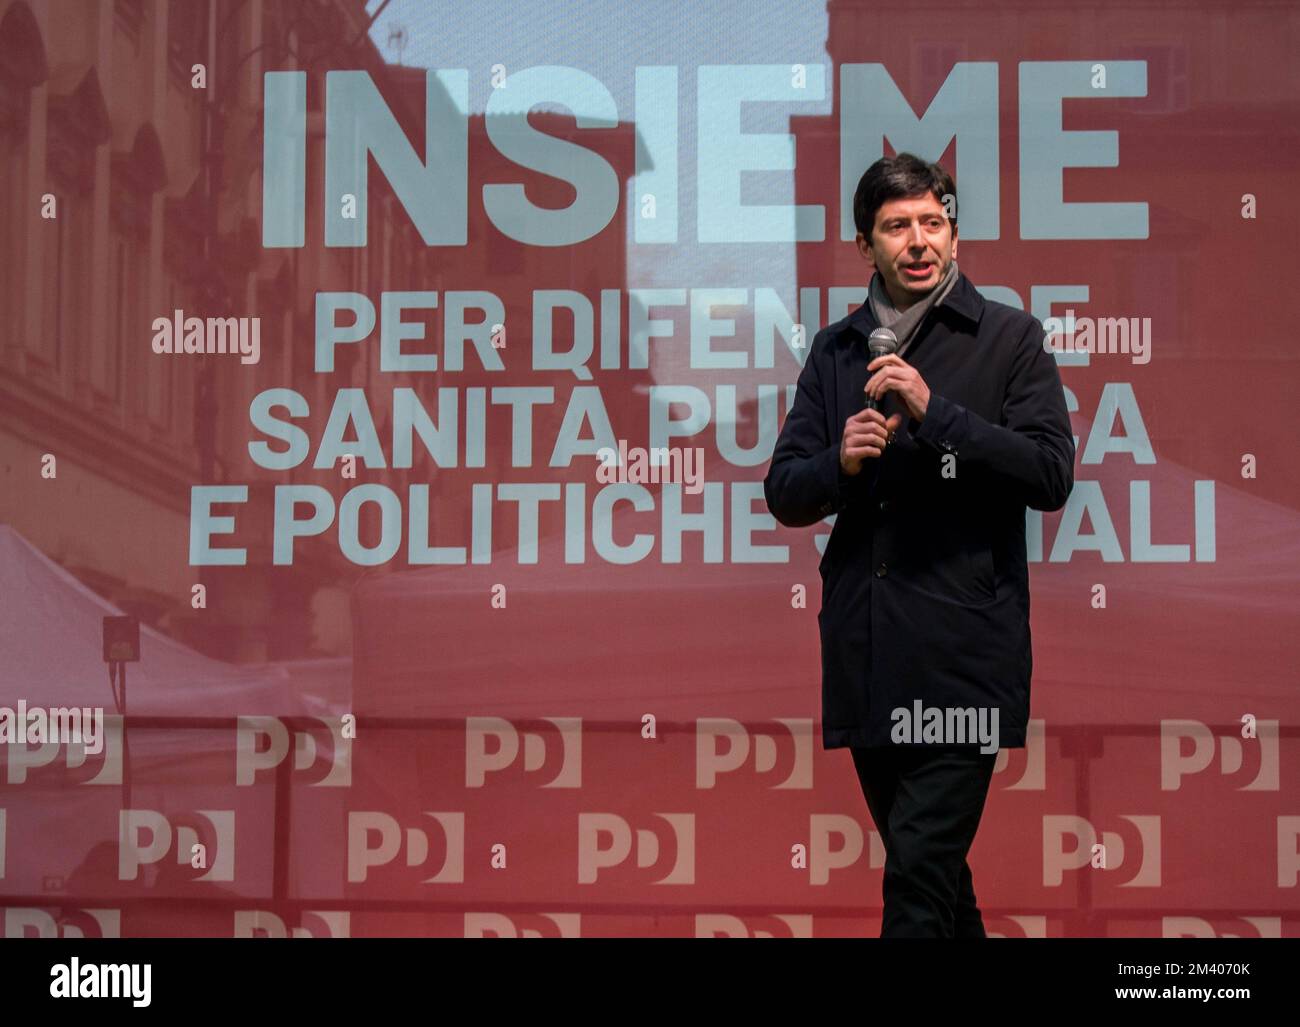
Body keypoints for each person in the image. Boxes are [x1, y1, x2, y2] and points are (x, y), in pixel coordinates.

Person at [763, 152, 1075, 937]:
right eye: (896, 226)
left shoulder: (1009, 337)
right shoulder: (838, 351)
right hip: (869, 654)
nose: (918, 241)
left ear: (955, 235)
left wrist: (936, 411)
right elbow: (784, 490)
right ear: (864, 244)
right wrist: (838, 462)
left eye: (932, 222)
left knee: (916, 874)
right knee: (934, 880)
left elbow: (1048, 471)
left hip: (964, 658)